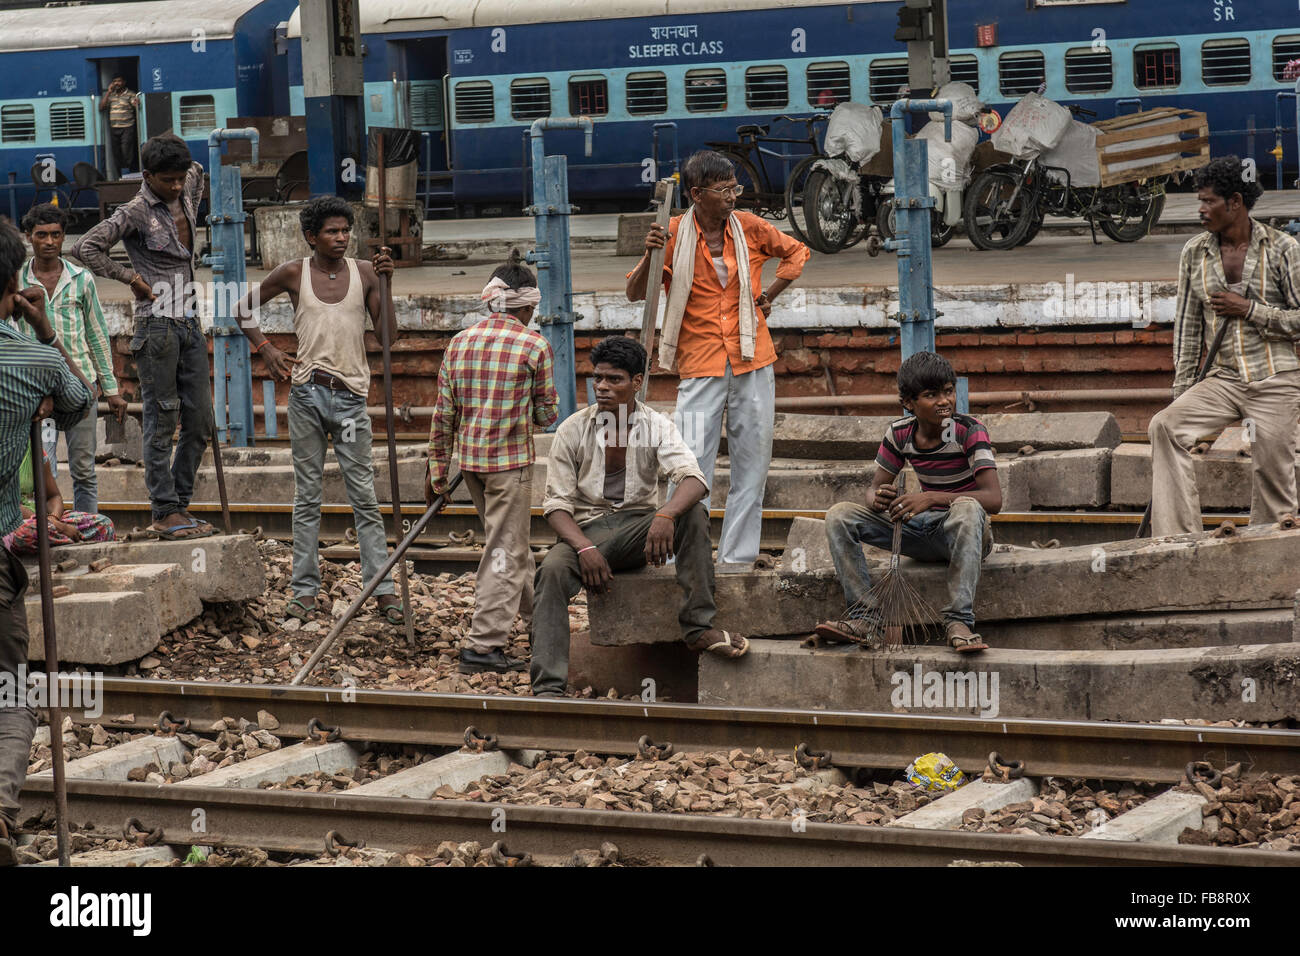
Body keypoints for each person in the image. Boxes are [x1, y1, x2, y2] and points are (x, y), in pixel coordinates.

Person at [532, 334, 748, 698]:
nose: (601, 387)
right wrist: (584, 549)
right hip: (586, 533)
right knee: (551, 571)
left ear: (636, 383)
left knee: (691, 512)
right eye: (597, 378)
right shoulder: (572, 429)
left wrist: (665, 514)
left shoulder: (656, 425)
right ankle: (548, 686)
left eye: (613, 379)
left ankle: (697, 627)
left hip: (637, 532)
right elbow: (556, 507)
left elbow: (694, 479)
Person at [626, 149, 810, 566]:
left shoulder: (749, 227)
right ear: (697, 194)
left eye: (734, 187)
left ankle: (737, 558)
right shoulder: (671, 232)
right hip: (700, 364)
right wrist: (651, 255)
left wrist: (768, 297)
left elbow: (797, 253)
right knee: (688, 463)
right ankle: (679, 557)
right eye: (724, 190)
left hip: (753, 359)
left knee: (753, 464)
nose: (732, 197)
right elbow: (637, 292)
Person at [231, 196, 405, 625]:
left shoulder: (365, 272)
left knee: (363, 497)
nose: (342, 237)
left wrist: (386, 286)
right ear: (312, 236)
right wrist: (266, 349)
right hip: (308, 396)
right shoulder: (294, 272)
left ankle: (381, 590)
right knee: (306, 497)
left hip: (350, 399)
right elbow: (242, 309)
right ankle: (303, 592)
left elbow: (387, 338)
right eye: (332, 231)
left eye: (346, 230)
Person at [0, 217, 93, 866]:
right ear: (15, 282)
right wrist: (44, 330)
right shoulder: (31, 360)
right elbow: (80, 402)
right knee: (11, 692)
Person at [71, 133, 214, 541]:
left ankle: (178, 503)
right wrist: (130, 277)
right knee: (162, 416)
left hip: (189, 320)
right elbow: (86, 247)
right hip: (156, 326)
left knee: (200, 419)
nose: (174, 186)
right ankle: (165, 510)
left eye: (178, 178)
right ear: (148, 176)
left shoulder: (189, 179)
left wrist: (182, 167)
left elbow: (197, 171)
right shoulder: (135, 211)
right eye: (166, 179)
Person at [1148, 156, 1300, 536]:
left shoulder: (1283, 249)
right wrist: (1182, 390)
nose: (1200, 209)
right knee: (1165, 426)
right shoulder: (1195, 252)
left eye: (1207, 201)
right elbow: (1187, 328)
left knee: (1274, 475)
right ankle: (1178, 540)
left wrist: (1251, 310)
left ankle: (1269, 553)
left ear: (1235, 202)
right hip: (1223, 379)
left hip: (1275, 378)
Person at [814, 351, 1001, 654]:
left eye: (948, 391)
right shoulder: (899, 433)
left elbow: (994, 500)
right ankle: (865, 620)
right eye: (931, 395)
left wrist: (931, 498)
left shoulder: (969, 431)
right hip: (922, 533)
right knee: (840, 515)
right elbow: (874, 488)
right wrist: (878, 499)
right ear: (909, 403)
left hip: (967, 534)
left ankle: (959, 621)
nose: (944, 401)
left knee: (967, 507)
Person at [428, 250, 559, 674]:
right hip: (510, 465)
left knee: (509, 545)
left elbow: (443, 415)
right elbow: (547, 415)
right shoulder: (534, 345)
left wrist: (437, 472)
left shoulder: (459, 342)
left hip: (470, 468)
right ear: (527, 305)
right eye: (533, 309)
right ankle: (483, 646)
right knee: (503, 551)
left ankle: (545, 626)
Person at [17, 203, 126, 514]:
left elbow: (97, 335)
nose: (49, 242)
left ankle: (87, 526)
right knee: (39, 468)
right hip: (35, 387)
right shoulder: (17, 281)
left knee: (83, 468)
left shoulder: (82, 279)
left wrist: (111, 389)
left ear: (63, 238)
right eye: (41, 235)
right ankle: (44, 531)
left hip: (80, 383)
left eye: (55, 235)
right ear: (29, 238)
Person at [2, 446, 115, 555]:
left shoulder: (33, 447)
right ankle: (69, 542)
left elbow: (53, 496)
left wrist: (53, 518)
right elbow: (7, 505)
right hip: (9, 523)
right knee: (29, 532)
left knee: (105, 525)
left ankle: (66, 547)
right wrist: (58, 526)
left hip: (41, 520)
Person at [98, 75, 140, 175]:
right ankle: (119, 177)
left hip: (127, 127)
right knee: (116, 154)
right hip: (114, 128)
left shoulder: (130, 94)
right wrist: (108, 92)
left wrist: (136, 103)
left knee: (126, 152)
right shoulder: (111, 95)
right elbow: (101, 107)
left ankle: (128, 174)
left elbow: (136, 106)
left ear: (124, 82)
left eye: (119, 81)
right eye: (114, 81)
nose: (116, 83)